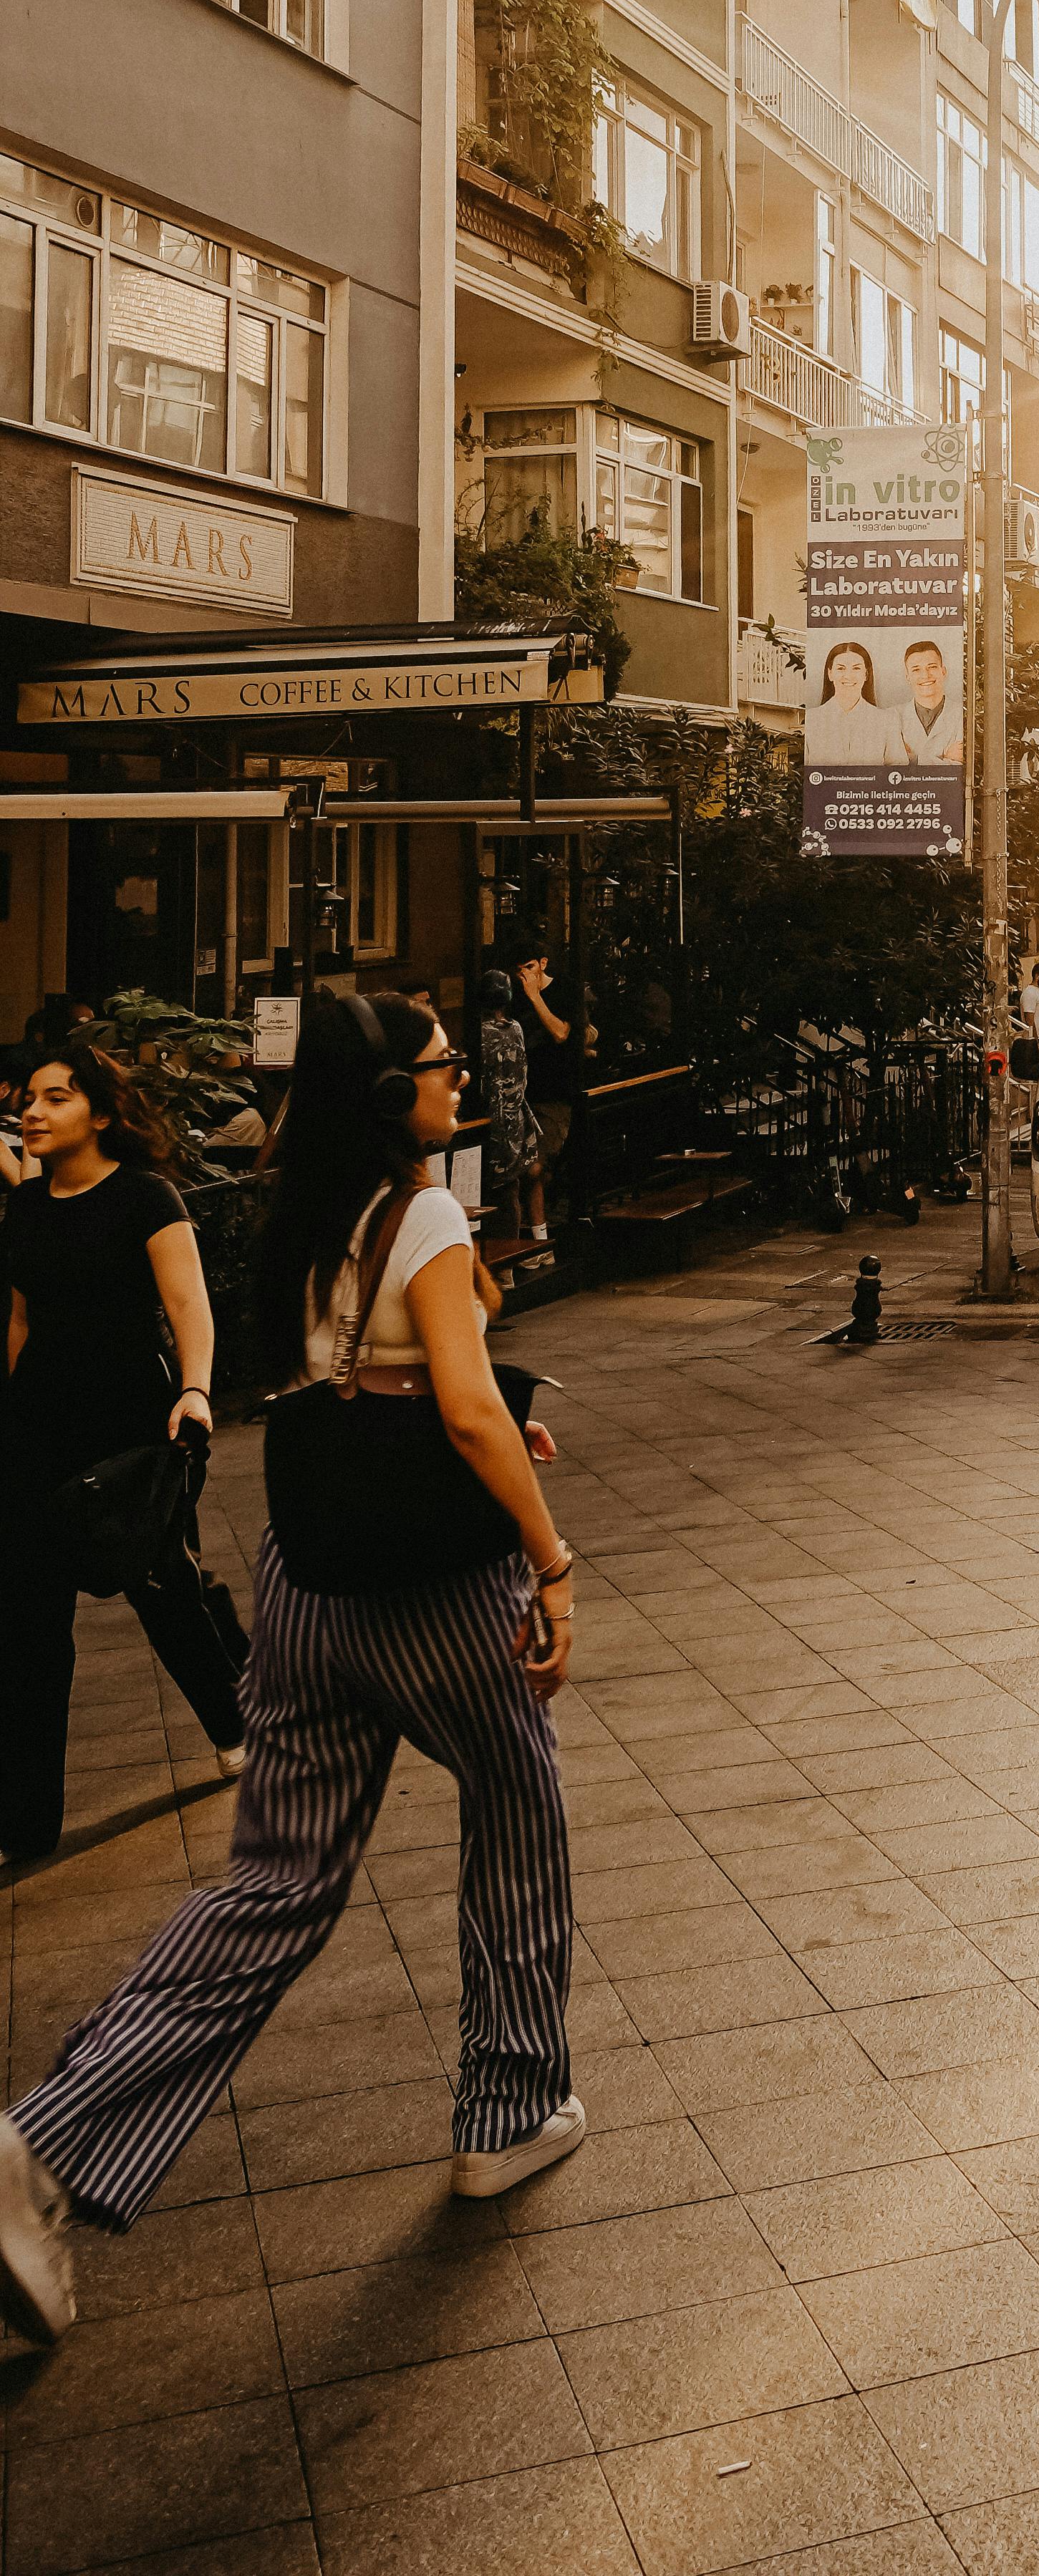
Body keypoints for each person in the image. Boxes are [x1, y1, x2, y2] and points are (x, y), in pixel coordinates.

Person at [0, 995, 584, 2348]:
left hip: (306, 1585)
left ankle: (38, 2144)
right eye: (438, 1067)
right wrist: (548, 1560)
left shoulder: (300, 1214)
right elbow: (460, 1400)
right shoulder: (424, 1214)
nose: (454, 1082)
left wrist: (481, 1422)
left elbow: (348, 1373)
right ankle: (506, 2109)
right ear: (391, 1095)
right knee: (516, 1800)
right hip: (435, 1597)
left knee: (273, 1885)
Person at [1, 1042, 248, 1859]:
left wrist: (197, 1390)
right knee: (29, 1622)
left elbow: (190, 1308)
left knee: (165, 1586)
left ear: (101, 1114)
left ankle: (236, 1722)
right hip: (37, 1428)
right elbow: (23, 1320)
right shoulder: (27, 1207)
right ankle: (27, 1820)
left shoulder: (147, 1197)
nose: (34, 1111)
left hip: (133, 1422)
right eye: (30, 1098)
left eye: (57, 1098)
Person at [477, 968, 544, 1245]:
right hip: (514, 1118)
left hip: (494, 1121)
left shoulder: (482, 1034)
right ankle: (510, 1260)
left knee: (499, 1192)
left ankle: (503, 1261)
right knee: (510, 1190)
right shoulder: (515, 1028)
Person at [513, 954, 578, 1196]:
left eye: (529, 967)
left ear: (543, 964)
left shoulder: (564, 990)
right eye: (520, 971)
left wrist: (535, 996)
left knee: (536, 1167)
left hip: (555, 1094)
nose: (526, 976)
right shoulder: (515, 997)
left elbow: (561, 1033)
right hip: (525, 1095)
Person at [807, 639, 906, 765]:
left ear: (866, 674)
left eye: (856, 668)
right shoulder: (812, 720)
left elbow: (897, 768)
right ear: (830, 674)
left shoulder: (887, 720)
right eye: (841, 668)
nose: (848, 675)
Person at [894, 638, 964, 767]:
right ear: (907, 676)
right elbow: (888, 767)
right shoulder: (891, 717)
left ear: (943, 672)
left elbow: (961, 769)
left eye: (932, 667)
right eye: (916, 670)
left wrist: (912, 760)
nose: (925, 676)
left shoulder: (964, 715)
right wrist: (944, 759)